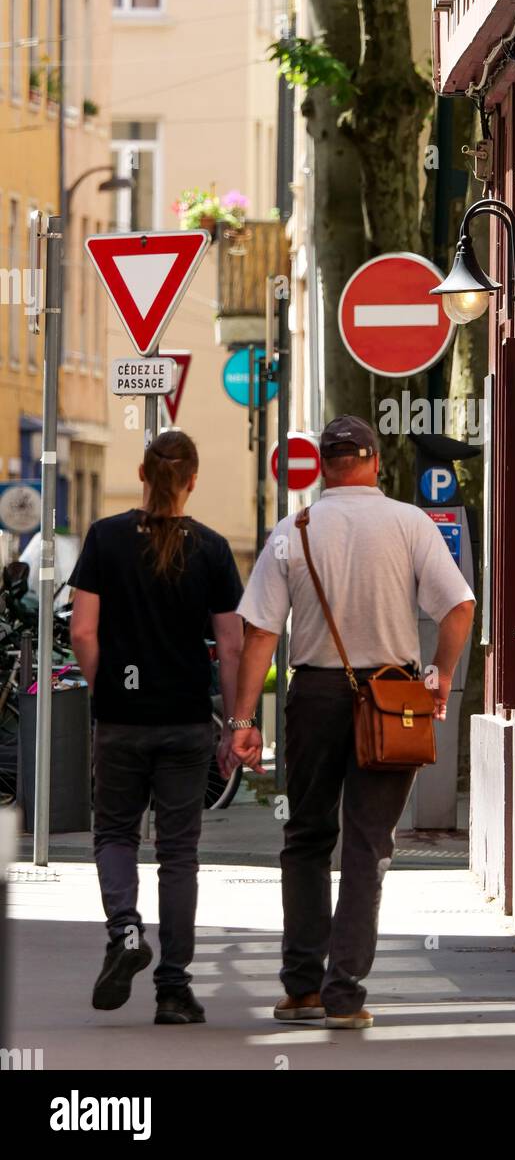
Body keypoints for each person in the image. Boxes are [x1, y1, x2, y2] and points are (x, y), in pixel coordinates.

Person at [231, 415, 475, 1029]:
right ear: (371, 461)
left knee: (306, 838)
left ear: (324, 464)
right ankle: (346, 996)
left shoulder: (295, 529)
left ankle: (301, 989)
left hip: (314, 696)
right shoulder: (409, 522)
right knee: (368, 846)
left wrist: (240, 719)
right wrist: (440, 679)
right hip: (392, 700)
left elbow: (259, 631)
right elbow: (460, 606)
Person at [69, 430, 244, 1025]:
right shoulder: (214, 550)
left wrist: (107, 687)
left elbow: (84, 631)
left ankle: (123, 932)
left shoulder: (105, 539)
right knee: (178, 854)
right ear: (191, 479)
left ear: (143, 476)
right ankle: (173, 990)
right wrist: (236, 724)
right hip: (187, 721)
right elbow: (231, 642)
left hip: (121, 718)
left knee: (115, 834)